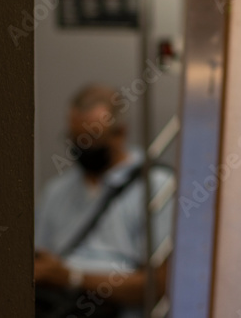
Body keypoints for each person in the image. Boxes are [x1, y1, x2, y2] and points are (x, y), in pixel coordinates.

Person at [35, 83, 174, 318]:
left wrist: (73, 278)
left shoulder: (159, 187)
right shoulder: (56, 192)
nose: (84, 148)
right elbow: (41, 263)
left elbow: (160, 284)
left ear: (120, 133)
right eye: (76, 140)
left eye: (91, 139)